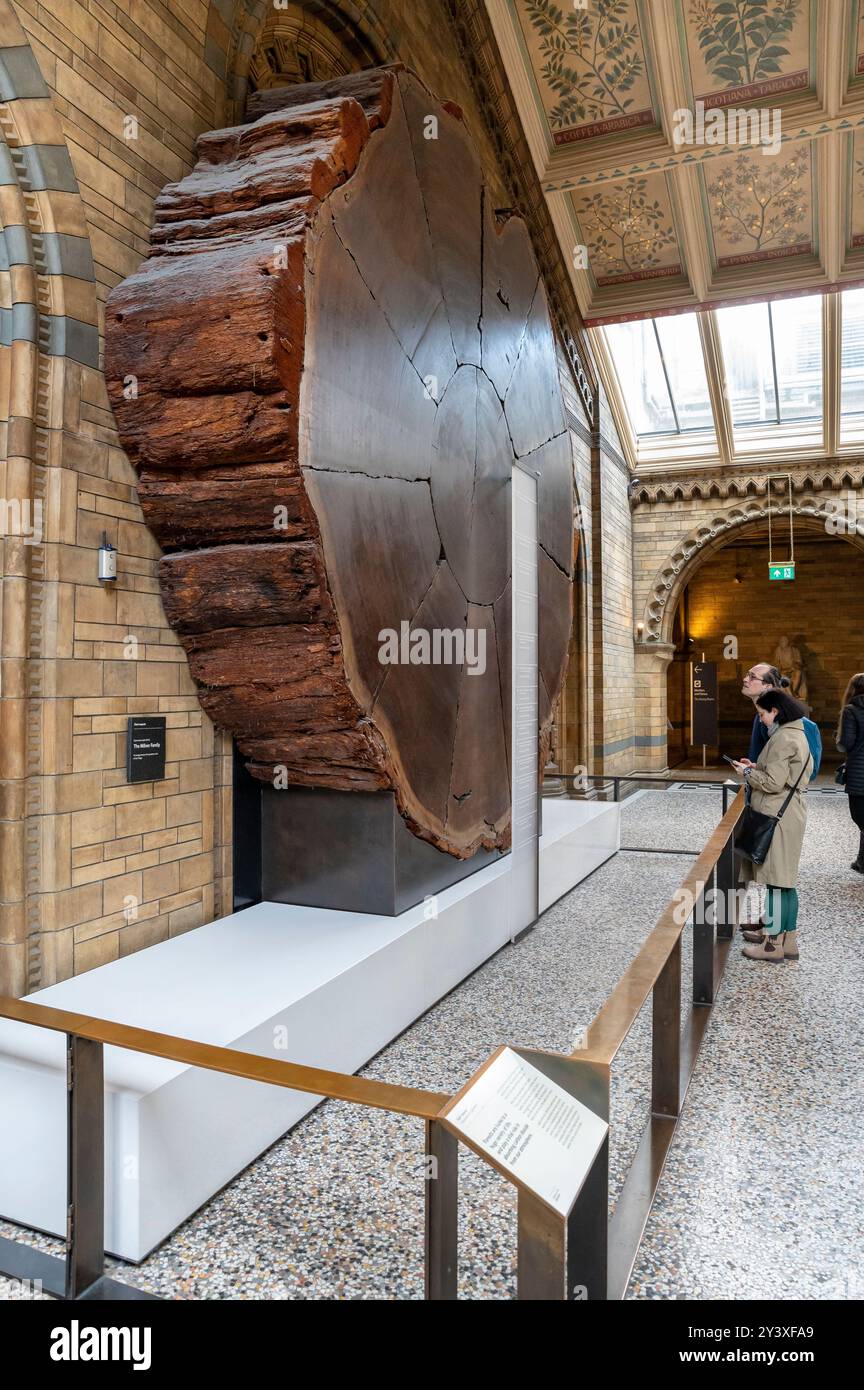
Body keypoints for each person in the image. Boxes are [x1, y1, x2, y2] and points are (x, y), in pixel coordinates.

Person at [732, 688, 811, 962]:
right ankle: (788, 942)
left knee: (776, 882)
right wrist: (757, 766)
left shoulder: (782, 738)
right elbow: (783, 774)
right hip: (790, 814)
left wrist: (748, 772)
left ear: (775, 711)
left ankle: (771, 944)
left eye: (763, 714)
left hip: (776, 815)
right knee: (786, 882)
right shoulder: (798, 733)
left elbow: (773, 783)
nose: (762, 719)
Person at [837, 673, 864, 873]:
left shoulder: (851, 710)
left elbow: (847, 743)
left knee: (860, 816)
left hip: (859, 773)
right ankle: (861, 861)